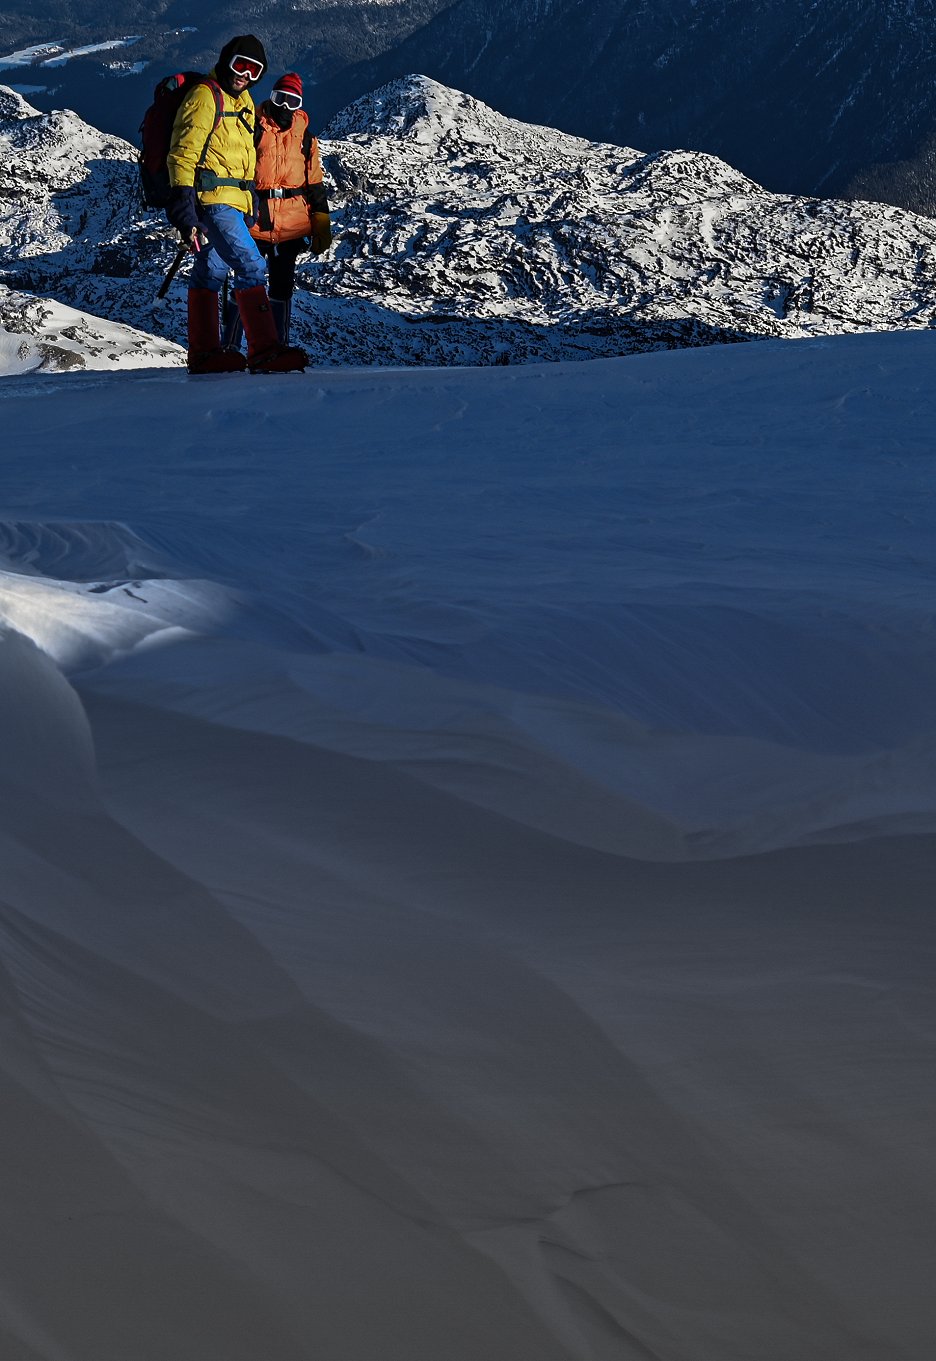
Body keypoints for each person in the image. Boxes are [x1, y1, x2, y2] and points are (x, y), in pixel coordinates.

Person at [165, 35, 307, 374]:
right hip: (213, 201)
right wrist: (184, 209)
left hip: (236, 202)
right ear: (226, 60)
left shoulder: (244, 101)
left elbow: (245, 158)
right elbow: (183, 154)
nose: (244, 74)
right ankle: (265, 351)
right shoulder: (205, 96)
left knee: (211, 269)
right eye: (239, 64)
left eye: (254, 70)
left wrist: (253, 202)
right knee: (251, 265)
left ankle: (204, 354)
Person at [223, 72, 332, 350]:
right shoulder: (253, 129)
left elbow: (314, 182)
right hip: (255, 220)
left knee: (282, 286)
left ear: (299, 105)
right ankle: (231, 346)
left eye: (292, 101)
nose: (284, 107)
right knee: (246, 280)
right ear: (271, 97)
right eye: (280, 98)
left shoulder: (306, 139)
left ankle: (276, 346)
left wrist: (321, 219)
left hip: (292, 225)